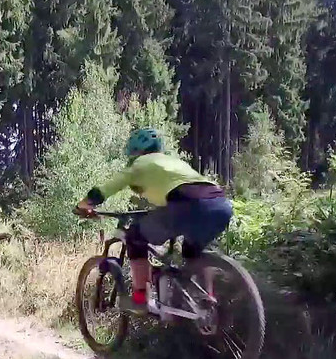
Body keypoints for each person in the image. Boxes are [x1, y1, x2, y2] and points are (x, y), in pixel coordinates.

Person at [74, 128, 233, 310]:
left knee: (135, 237)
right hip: (221, 205)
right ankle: (207, 299)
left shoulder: (139, 164)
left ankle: (140, 299)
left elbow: (105, 189)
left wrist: (84, 205)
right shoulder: (174, 162)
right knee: (193, 251)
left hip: (187, 206)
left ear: (134, 151)